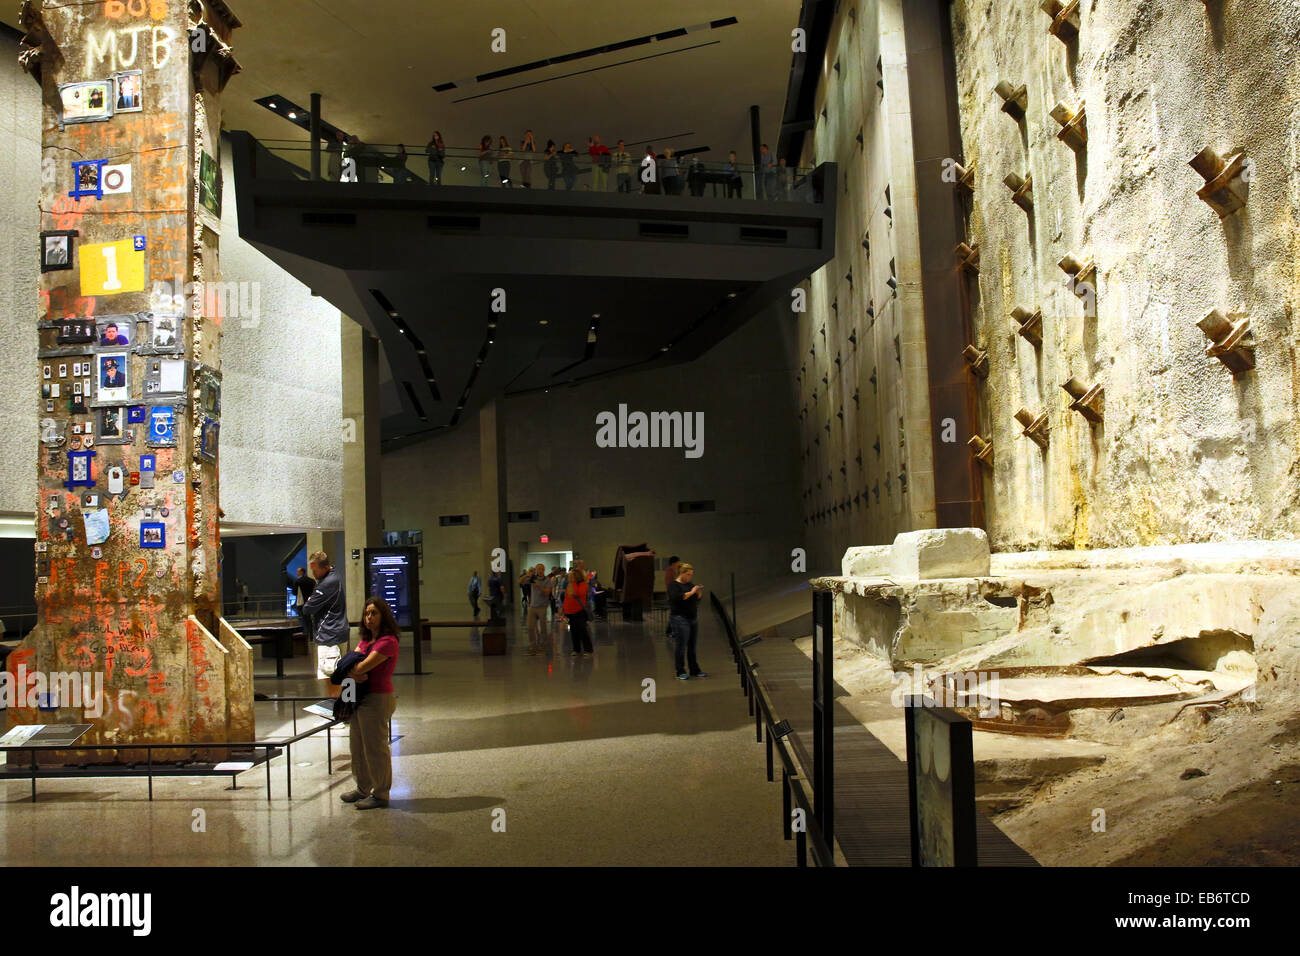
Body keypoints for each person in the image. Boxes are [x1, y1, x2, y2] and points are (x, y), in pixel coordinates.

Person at [338, 595, 400, 810]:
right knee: (357, 746)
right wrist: (353, 668)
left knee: (375, 748)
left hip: (377, 699)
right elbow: (345, 665)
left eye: (374, 613)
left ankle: (381, 793)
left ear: (383, 616)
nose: (369, 617)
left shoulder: (387, 642)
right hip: (359, 699)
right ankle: (363, 787)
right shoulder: (365, 641)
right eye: (366, 613)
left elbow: (360, 667)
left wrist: (353, 667)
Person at [299, 550, 350, 683]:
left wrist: (310, 600)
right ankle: (340, 703)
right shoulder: (335, 577)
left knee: (332, 679)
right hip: (337, 633)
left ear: (325, 567)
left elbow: (307, 608)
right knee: (340, 677)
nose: (313, 574)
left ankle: (336, 704)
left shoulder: (326, 584)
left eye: (315, 571)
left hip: (329, 637)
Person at [668, 562, 706, 680]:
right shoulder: (674, 585)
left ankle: (694, 669)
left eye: (691, 575)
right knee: (681, 645)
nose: (690, 577)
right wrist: (692, 591)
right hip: (680, 618)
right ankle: (680, 671)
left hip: (692, 618)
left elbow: (695, 599)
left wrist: (698, 593)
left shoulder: (690, 584)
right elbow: (679, 598)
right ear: (682, 573)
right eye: (688, 574)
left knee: (692, 646)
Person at [519, 564, 551, 655]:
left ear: (544, 570)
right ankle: (532, 645)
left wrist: (538, 586)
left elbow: (547, 592)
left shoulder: (547, 580)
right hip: (532, 607)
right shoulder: (533, 578)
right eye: (538, 569)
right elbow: (520, 582)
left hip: (542, 607)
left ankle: (542, 646)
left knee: (543, 628)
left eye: (541, 569)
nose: (540, 571)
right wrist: (527, 575)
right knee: (530, 627)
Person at [564, 567, 592, 657]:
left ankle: (588, 649)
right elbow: (567, 597)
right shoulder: (570, 584)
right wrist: (564, 609)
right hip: (571, 612)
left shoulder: (582, 584)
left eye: (572, 576)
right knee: (573, 631)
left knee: (582, 631)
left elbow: (579, 594)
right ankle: (576, 649)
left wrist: (574, 585)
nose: (570, 577)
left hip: (579, 611)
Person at [663, 555, 680, 638]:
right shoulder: (670, 571)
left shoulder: (672, 571)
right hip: (672, 596)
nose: (679, 564)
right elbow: (670, 584)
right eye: (678, 562)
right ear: (674, 563)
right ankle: (670, 631)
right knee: (674, 614)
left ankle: (671, 631)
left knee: (674, 614)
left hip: (673, 595)